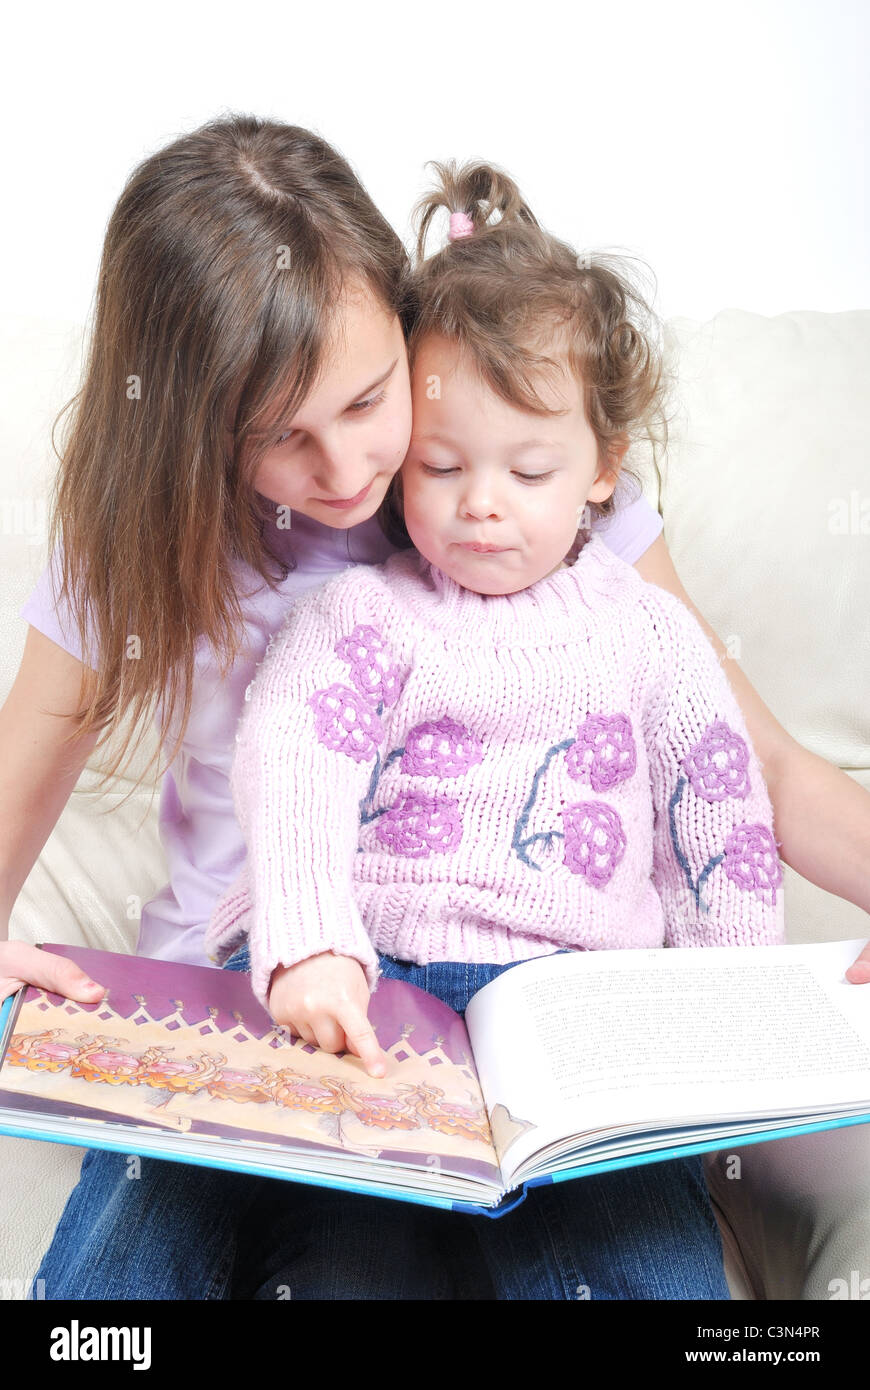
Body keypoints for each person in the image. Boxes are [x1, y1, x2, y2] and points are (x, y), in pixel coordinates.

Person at [1, 117, 864, 1299]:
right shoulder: (154, 537)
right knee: (134, 1267)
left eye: (369, 403)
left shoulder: (530, 480)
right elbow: (33, 762)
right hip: (241, 989)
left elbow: (747, 768)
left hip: (537, 1010)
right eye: (281, 436)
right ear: (198, 425)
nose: (350, 470)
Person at [202, 159, 788, 1300]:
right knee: (342, 1266)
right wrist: (313, 938)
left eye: (529, 469)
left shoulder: (649, 634)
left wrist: (740, 1005)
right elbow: (296, 753)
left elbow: (718, 805)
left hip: (581, 1017)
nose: (481, 501)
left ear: (603, 472)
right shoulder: (365, 613)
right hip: (385, 995)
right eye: (440, 464)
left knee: (643, 1274)